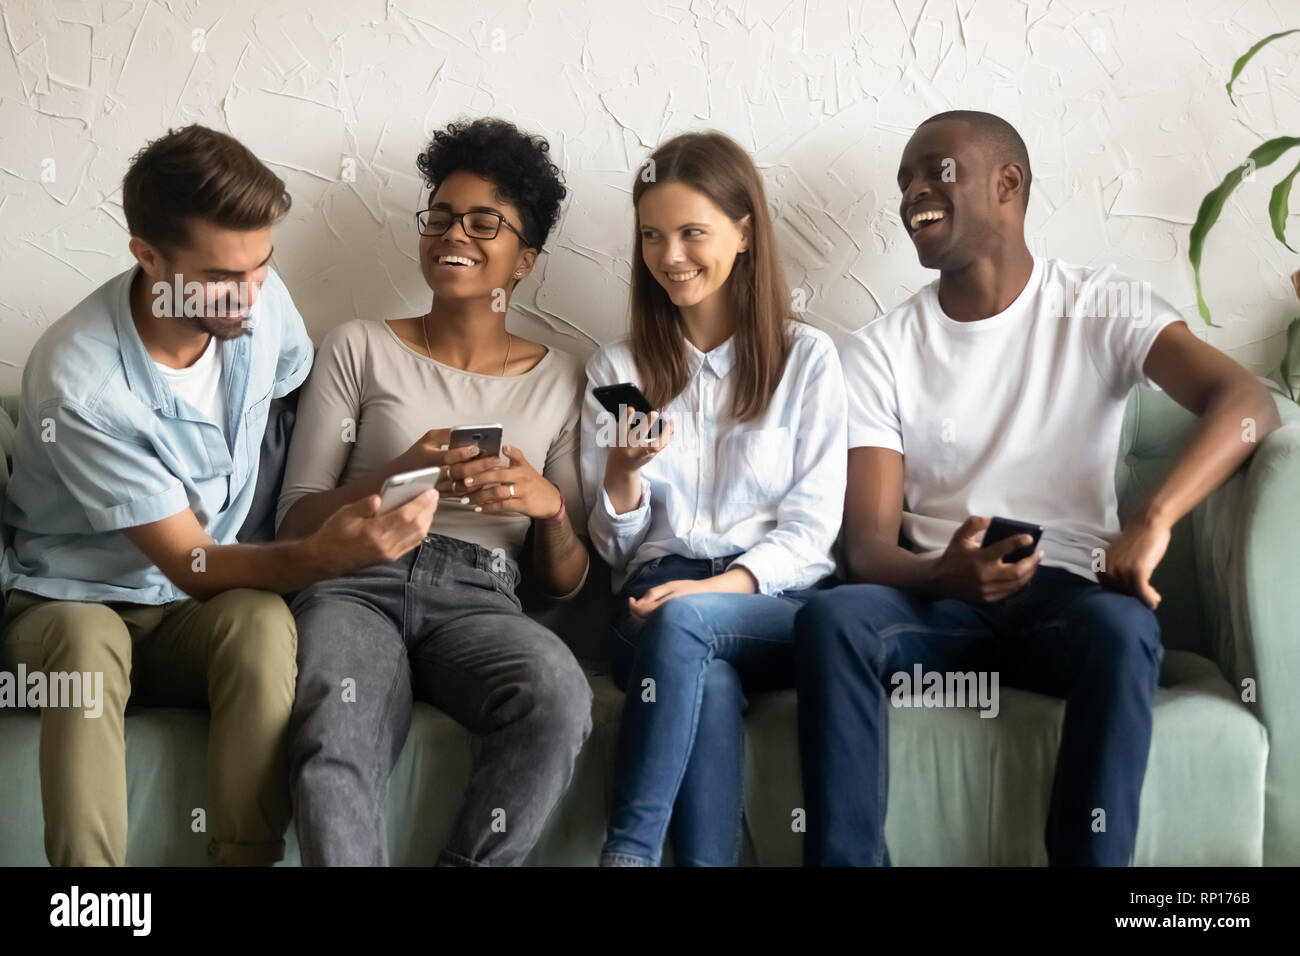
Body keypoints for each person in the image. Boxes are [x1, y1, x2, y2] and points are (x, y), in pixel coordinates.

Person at [794, 109, 1282, 866]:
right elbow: (864, 548)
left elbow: (1248, 405)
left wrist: (1153, 518)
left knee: (1125, 632)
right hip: (938, 606)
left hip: (1068, 600)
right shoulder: (879, 352)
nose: (912, 192)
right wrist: (941, 574)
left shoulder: (1099, 305)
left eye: (935, 170)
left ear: (1007, 184)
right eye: (903, 180)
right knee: (833, 620)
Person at [0, 125, 435, 866]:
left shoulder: (259, 307)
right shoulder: (80, 383)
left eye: (261, 264)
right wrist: (320, 555)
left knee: (261, 624)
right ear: (148, 256)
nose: (248, 294)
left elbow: (291, 387)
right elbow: (190, 562)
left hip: (184, 617)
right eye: (222, 277)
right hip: (63, 605)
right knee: (86, 642)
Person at [278, 117, 593, 867]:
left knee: (559, 694)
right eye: (443, 216)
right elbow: (294, 522)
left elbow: (567, 581)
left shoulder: (564, 379)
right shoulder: (359, 346)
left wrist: (547, 505)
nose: (456, 233)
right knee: (336, 725)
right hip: (357, 583)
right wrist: (397, 471)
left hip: (482, 597)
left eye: (487, 222)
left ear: (525, 260)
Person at [581, 130, 847, 867]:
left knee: (693, 628)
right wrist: (622, 476)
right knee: (703, 667)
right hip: (655, 601)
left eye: (693, 233)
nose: (671, 256)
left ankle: (627, 855)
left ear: (744, 233)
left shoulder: (808, 361)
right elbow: (615, 551)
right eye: (652, 237)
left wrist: (722, 589)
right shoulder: (616, 366)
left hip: (778, 603)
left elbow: (814, 527)